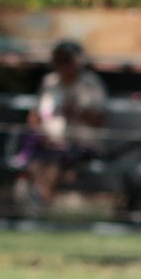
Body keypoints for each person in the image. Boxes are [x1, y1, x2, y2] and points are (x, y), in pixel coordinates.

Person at [18, 40, 108, 205]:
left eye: (67, 60)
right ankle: (36, 203)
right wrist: (41, 133)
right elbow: (34, 117)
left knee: (54, 161)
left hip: (80, 145)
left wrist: (76, 112)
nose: (62, 65)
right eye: (58, 60)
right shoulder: (49, 82)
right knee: (34, 159)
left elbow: (99, 120)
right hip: (47, 143)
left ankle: (41, 203)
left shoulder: (91, 84)